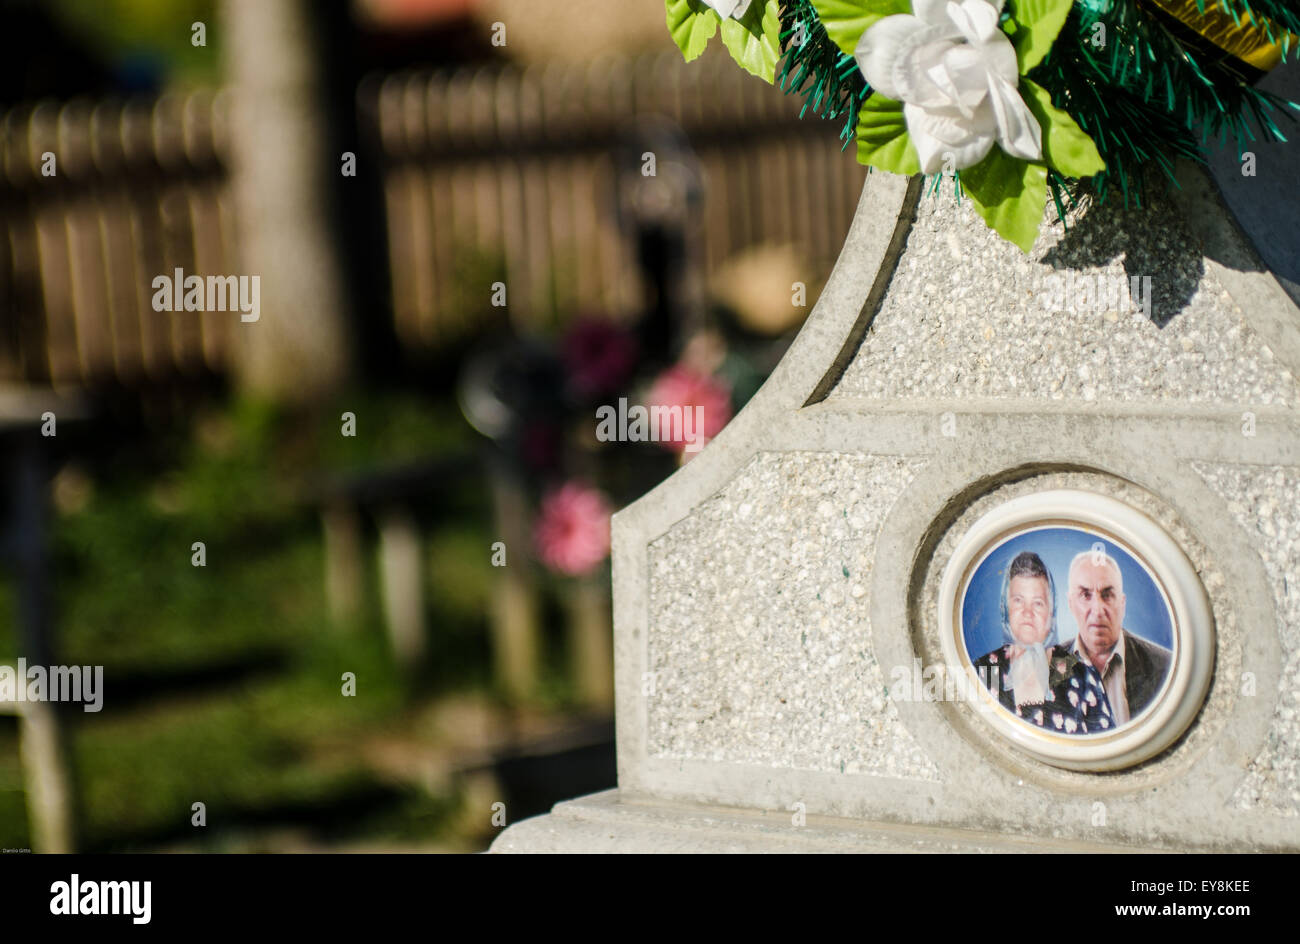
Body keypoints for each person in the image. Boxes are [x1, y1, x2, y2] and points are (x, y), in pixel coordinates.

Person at [973, 551, 1116, 735]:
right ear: (1005, 607)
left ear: (1052, 611)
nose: (1027, 612)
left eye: (1038, 603)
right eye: (1018, 601)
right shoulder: (983, 671)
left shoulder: (1082, 674)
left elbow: (1102, 751)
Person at [1066, 551, 1172, 724]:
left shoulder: (1164, 666)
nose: (1098, 610)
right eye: (1085, 595)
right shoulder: (1047, 669)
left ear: (1122, 604)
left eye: (1107, 595)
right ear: (1070, 604)